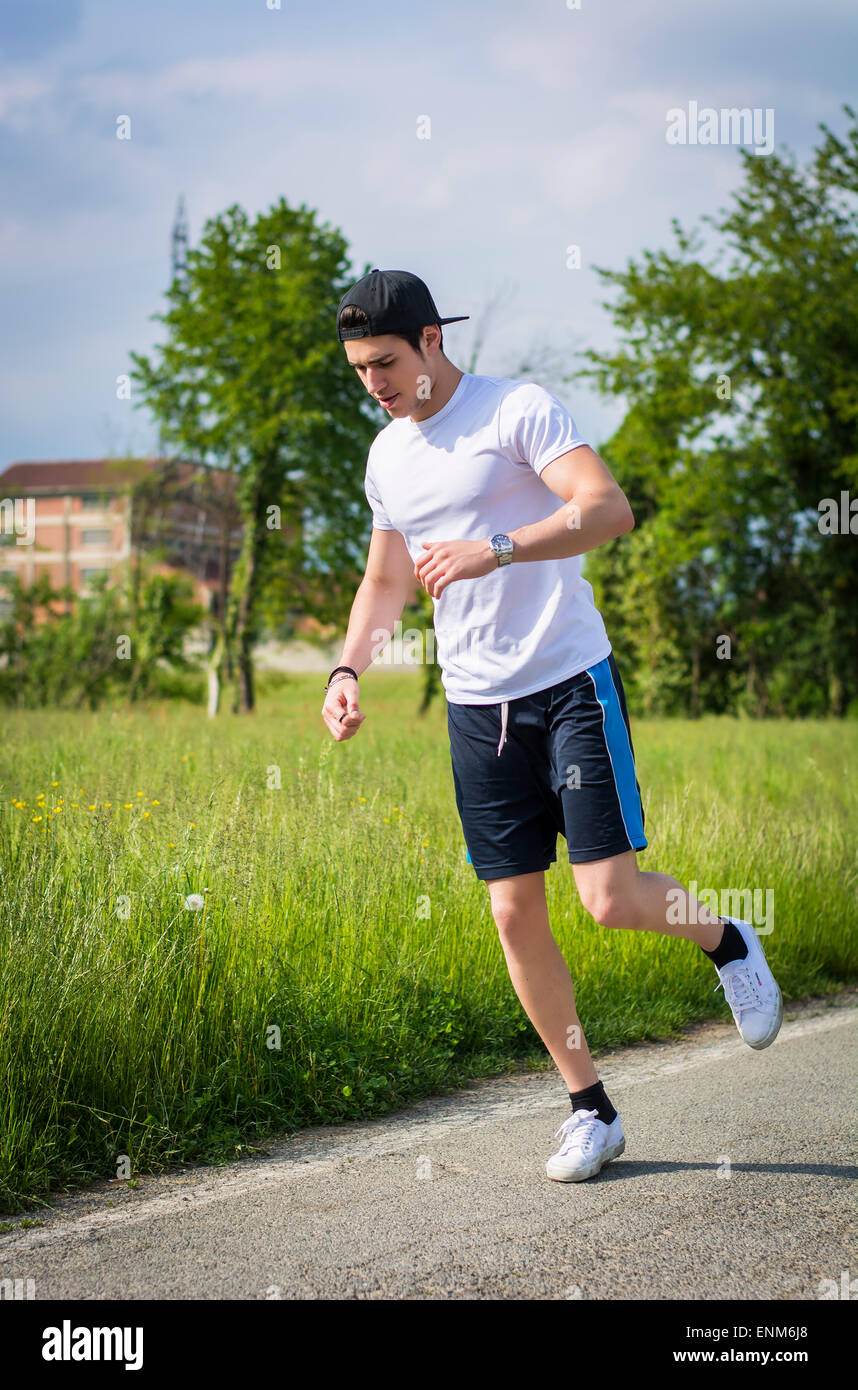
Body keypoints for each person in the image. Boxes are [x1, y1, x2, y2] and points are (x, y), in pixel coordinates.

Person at [322, 267, 782, 1183]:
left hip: (570, 682)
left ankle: (727, 940)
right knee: (511, 910)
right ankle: (591, 1110)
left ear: (431, 343)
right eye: (358, 368)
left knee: (608, 900)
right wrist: (348, 666)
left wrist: (496, 549)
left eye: (383, 362)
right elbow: (386, 581)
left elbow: (607, 508)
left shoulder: (515, 411)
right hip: (475, 708)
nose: (372, 383)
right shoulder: (388, 458)